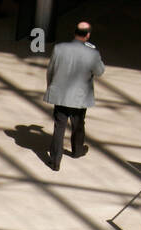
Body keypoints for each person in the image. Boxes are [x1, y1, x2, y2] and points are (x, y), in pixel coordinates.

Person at [44, 22, 105, 171]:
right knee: (78, 124)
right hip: (79, 96)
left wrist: (51, 87)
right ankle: (77, 151)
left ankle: (55, 160)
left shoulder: (59, 48)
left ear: (75, 32)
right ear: (88, 35)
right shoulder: (92, 53)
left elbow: (50, 70)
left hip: (61, 95)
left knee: (59, 127)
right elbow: (99, 71)